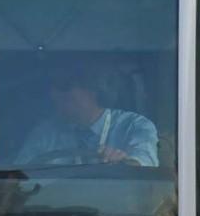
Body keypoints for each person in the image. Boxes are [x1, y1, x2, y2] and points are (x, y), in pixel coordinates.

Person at [16, 64, 158, 168]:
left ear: (94, 89)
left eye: (64, 86)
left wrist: (126, 162)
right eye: (52, 87)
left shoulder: (134, 125)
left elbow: (145, 162)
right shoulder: (45, 133)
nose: (54, 94)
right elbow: (18, 176)